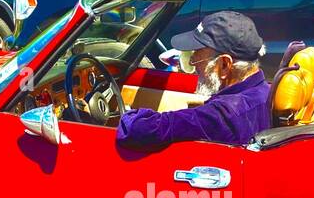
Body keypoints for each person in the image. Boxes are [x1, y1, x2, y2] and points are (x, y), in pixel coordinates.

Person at [117, 12, 283, 150]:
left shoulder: (222, 116)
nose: (191, 63)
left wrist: (125, 114)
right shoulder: (265, 91)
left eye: (196, 57)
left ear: (224, 65)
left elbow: (141, 129)